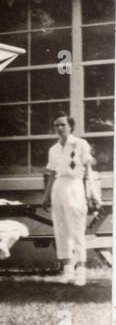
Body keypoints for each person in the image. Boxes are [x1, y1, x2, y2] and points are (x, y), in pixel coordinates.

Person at [42, 113, 101, 285]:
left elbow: (89, 169)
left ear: (70, 126)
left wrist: (93, 194)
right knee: (61, 231)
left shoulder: (80, 144)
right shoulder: (53, 149)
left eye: (62, 125)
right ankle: (67, 271)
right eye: (56, 125)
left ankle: (81, 271)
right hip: (58, 188)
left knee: (76, 229)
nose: (59, 128)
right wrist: (46, 196)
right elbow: (52, 174)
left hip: (75, 186)